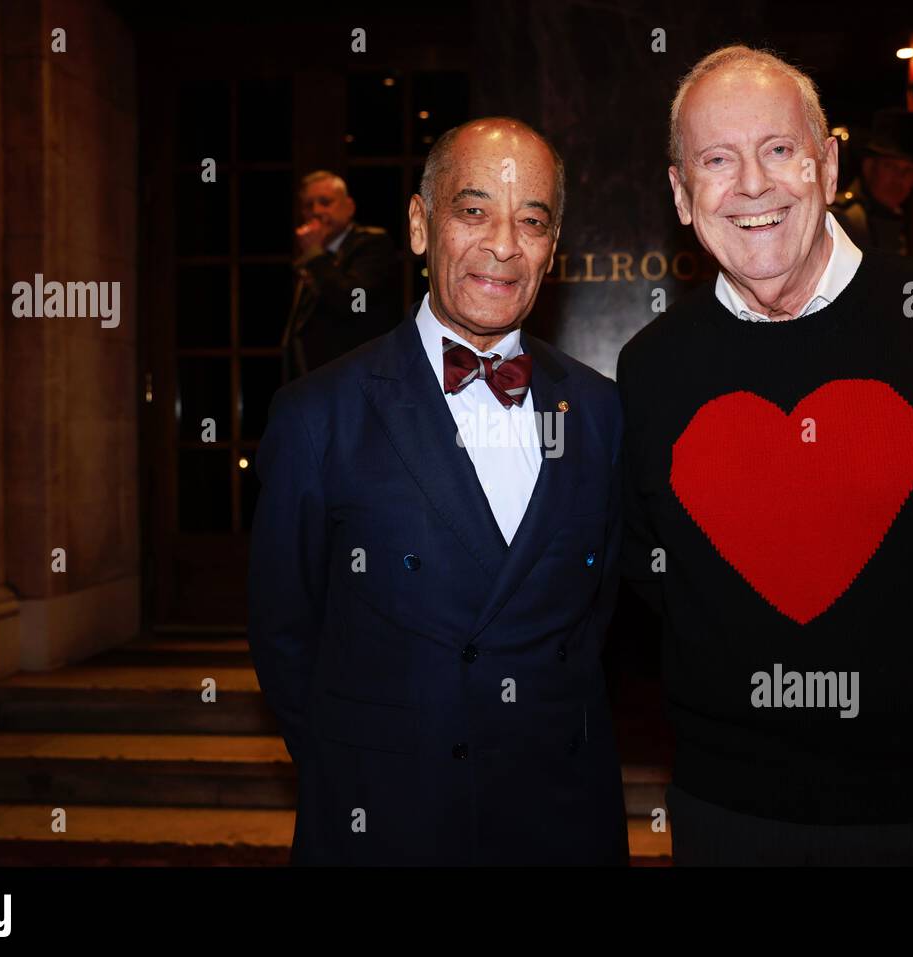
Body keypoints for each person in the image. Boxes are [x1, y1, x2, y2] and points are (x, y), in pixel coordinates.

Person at [618, 45, 913, 865]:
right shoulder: (652, 367)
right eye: (717, 160)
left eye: (779, 150)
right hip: (731, 814)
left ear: (827, 165)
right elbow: (654, 573)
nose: (752, 184)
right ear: (684, 196)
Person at [249, 117, 629, 865]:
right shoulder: (318, 415)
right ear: (422, 226)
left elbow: (592, 620)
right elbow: (283, 635)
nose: (503, 245)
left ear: (553, 249)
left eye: (532, 221)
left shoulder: (598, 409)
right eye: (475, 210)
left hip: (558, 818)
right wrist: (364, 767)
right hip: (387, 822)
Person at [282, 171, 401, 379]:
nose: (316, 211)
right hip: (314, 379)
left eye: (325, 202)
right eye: (308, 206)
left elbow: (353, 302)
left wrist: (314, 257)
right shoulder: (315, 255)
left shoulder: (371, 243)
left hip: (358, 377)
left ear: (349, 207)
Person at [831, 108, 913, 259]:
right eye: (890, 167)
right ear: (869, 167)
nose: (899, 178)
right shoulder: (841, 219)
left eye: (908, 170)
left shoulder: (909, 222)